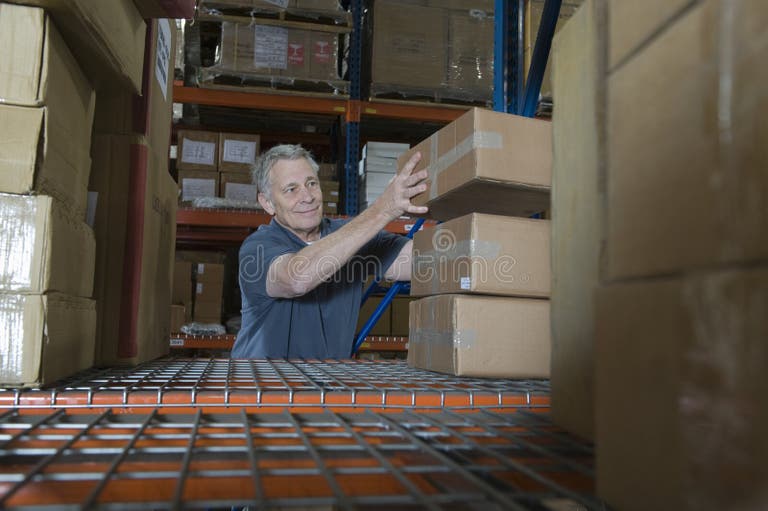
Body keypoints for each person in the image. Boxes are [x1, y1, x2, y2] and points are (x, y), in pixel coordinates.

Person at [232, 144, 428, 359]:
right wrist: (383, 209)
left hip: (325, 378)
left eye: (311, 183)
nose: (307, 196)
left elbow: (422, 263)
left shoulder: (352, 234)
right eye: (291, 189)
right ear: (267, 203)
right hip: (261, 378)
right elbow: (296, 278)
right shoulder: (257, 247)